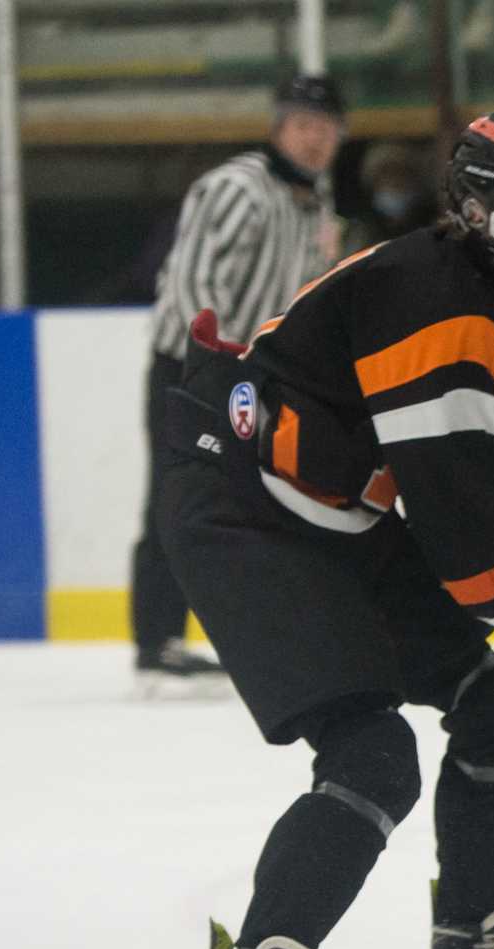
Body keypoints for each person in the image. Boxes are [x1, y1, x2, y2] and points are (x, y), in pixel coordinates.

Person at [155, 112, 494, 949]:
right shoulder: (437, 302)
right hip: (242, 510)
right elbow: (465, 504)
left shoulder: (484, 293)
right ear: (480, 214)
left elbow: (455, 496)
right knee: (370, 756)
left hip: (326, 513)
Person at [134, 74, 348, 698]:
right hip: (194, 369)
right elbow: (194, 284)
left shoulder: (313, 203)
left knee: (265, 500)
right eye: (304, 126)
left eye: (327, 129)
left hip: (255, 377)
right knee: (177, 496)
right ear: (278, 126)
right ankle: (156, 641)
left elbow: (304, 294)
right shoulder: (234, 187)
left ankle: (258, 632)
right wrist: (216, 365)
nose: (315, 140)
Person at [343, 142, 438, 251]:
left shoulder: (431, 227)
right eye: (387, 175)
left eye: (401, 174)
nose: (395, 182)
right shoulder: (360, 232)